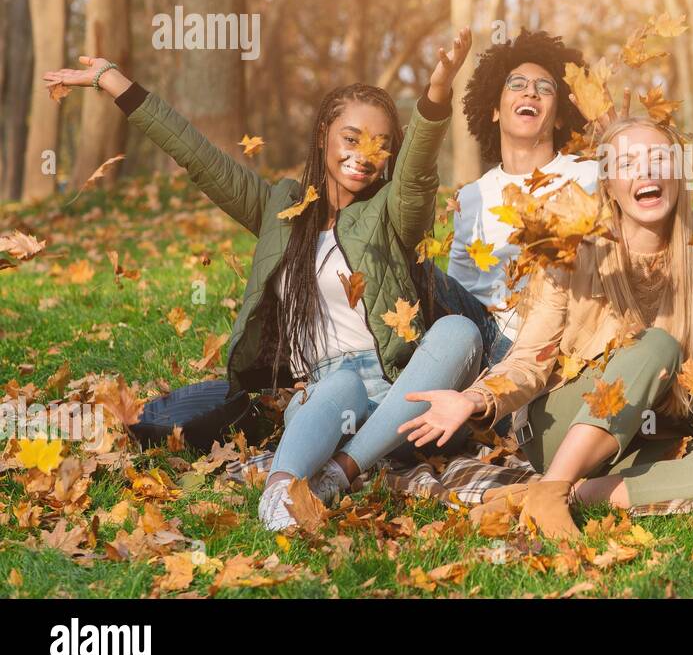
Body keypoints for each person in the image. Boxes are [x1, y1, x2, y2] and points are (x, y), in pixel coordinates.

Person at [43, 32, 487, 532]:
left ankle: (337, 476)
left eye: (381, 145)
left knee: (458, 332)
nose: (364, 154)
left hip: (400, 408)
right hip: (324, 399)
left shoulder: (392, 215)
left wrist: (437, 92)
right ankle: (281, 493)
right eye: (351, 137)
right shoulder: (282, 207)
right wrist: (114, 81)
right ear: (323, 135)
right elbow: (199, 159)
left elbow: (418, 174)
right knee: (339, 383)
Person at [397, 116, 693, 538]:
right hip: (562, 424)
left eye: (658, 159)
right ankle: (554, 485)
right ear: (609, 184)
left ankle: (550, 495)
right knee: (656, 345)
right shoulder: (575, 250)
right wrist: (475, 399)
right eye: (627, 163)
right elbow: (528, 361)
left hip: (647, 428)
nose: (645, 171)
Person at [429, 30, 599, 366]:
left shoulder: (589, 176)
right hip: (491, 342)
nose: (531, 91)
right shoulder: (472, 196)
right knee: (418, 271)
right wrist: (440, 86)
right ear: (494, 109)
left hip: (559, 345)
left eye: (545, 87)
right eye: (517, 84)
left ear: (561, 114)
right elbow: (460, 293)